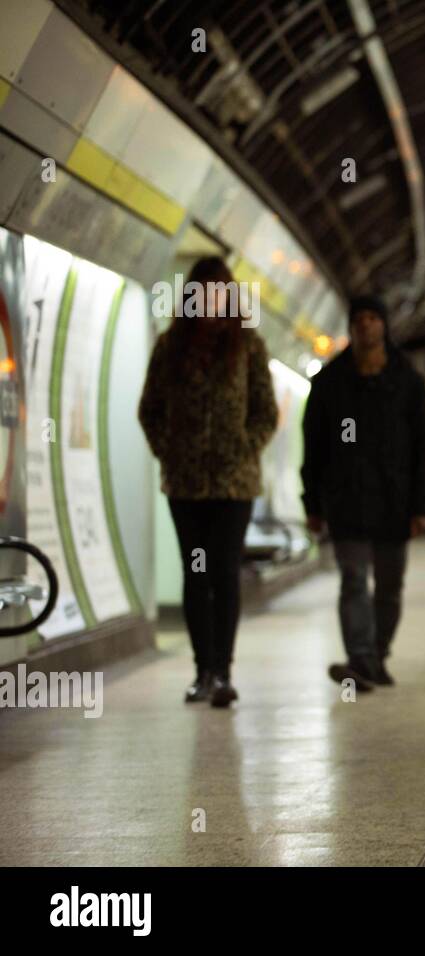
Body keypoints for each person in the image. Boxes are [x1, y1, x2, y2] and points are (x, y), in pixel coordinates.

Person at [138, 256, 278, 708]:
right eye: (204, 291)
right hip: (186, 486)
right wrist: (169, 451)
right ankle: (202, 671)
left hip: (234, 487)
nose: (212, 300)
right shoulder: (170, 346)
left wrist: (244, 448)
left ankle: (223, 671)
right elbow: (150, 409)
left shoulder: (249, 347)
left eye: (220, 291)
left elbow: (265, 411)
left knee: (224, 572)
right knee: (196, 574)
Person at [300, 295, 425, 691]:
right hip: (347, 502)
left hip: (395, 504)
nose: (365, 325)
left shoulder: (408, 382)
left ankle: (377, 654)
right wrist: (312, 503)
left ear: (384, 325)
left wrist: (423, 505)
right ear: (350, 327)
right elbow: (313, 449)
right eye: (358, 319)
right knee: (354, 580)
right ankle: (360, 658)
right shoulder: (328, 383)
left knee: (390, 588)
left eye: (372, 318)